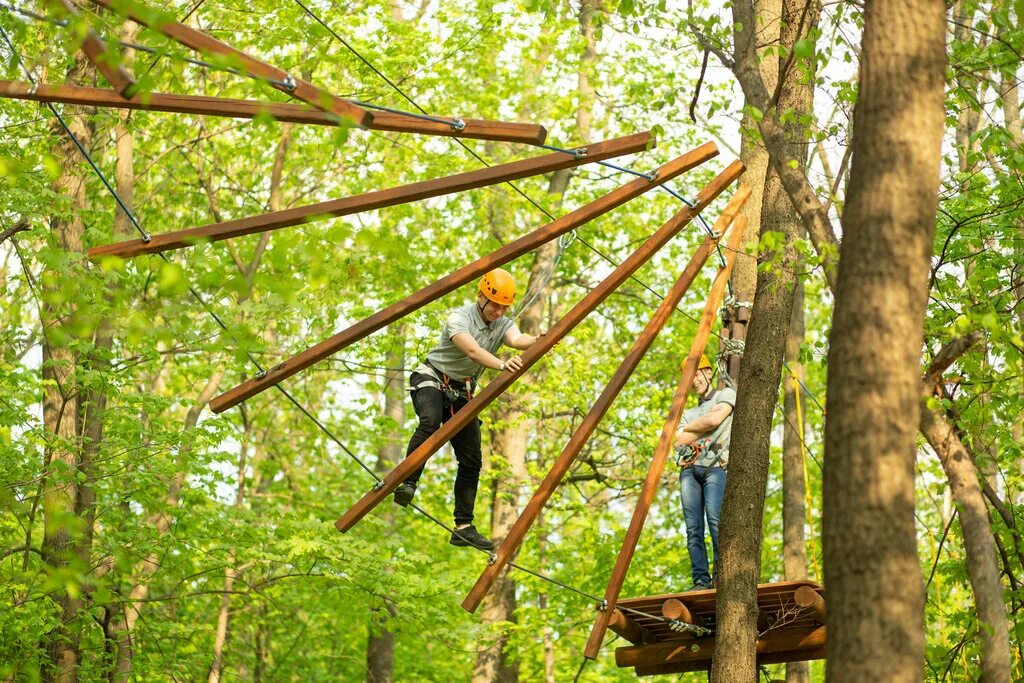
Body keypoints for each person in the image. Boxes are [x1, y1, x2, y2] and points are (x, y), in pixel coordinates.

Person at [393, 268, 541, 551]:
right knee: (430, 423)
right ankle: (407, 482)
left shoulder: (503, 323)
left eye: (503, 307)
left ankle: (463, 527)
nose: (498, 312)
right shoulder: (458, 318)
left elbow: (518, 340)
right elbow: (472, 351)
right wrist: (501, 365)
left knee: (472, 459)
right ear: (481, 297)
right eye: (494, 305)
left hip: (461, 391)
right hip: (432, 378)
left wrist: (538, 339)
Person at [674, 354, 735, 590]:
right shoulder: (688, 412)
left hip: (715, 468)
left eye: (698, 373)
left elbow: (716, 419)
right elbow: (679, 441)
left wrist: (695, 428)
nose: (694, 380)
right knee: (693, 528)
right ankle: (701, 579)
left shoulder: (726, 395)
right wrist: (705, 423)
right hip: (689, 470)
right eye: (690, 377)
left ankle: (721, 575)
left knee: (715, 520)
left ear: (709, 373)